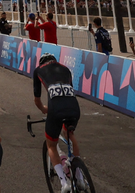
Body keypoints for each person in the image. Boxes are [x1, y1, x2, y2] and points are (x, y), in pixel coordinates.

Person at [33, 53, 80, 188]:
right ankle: (79, 176)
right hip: (73, 107)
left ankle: (64, 183)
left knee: (51, 145)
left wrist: (44, 109)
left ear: (42, 63)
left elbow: (37, 100)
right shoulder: (65, 69)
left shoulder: (38, 70)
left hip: (55, 108)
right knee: (69, 134)